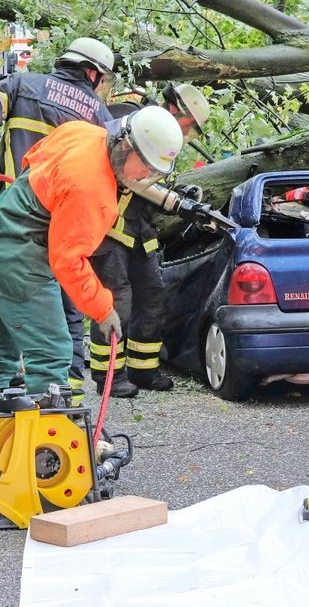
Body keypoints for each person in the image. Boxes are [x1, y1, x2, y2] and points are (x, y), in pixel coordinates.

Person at [0, 106, 184, 399]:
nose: (148, 176)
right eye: (147, 167)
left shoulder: (84, 132)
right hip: (19, 259)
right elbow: (68, 260)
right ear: (126, 147)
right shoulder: (92, 188)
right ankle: (50, 440)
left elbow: (32, 158)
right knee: (51, 355)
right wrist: (103, 310)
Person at [0, 36, 116, 395]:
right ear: (92, 73)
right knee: (60, 336)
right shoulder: (98, 117)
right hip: (50, 231)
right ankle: (62, 411)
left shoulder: (21, 84)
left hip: (9, 213)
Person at [88, 84, 211, 397]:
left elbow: (148, 186)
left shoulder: (163, 138)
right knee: (117, 303)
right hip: (109, 229)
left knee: (153, 295)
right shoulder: (135, 122)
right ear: (178, 112)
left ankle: (143, 369)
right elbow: (129, 179)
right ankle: (109, 376)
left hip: (140, 231)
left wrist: (183, 198)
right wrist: (174, 203)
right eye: (190, 128)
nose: (187, 136)